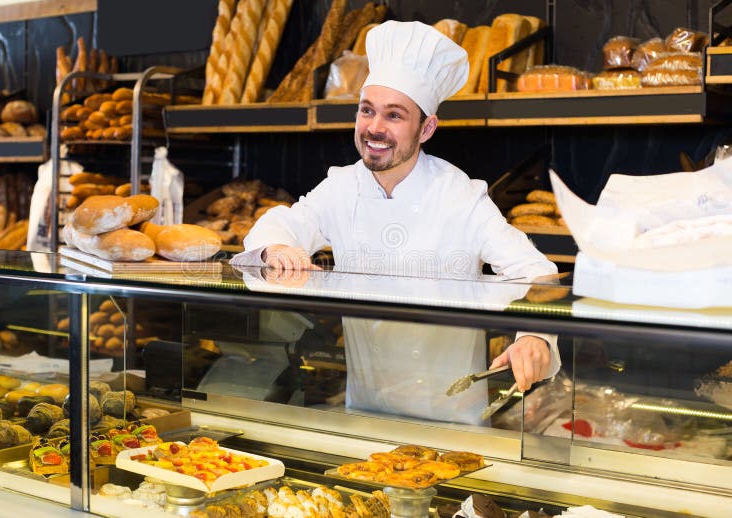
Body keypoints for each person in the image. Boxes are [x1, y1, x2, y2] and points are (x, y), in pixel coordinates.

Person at [231, 21, 559, 415]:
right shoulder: (341, 187)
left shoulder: (459, 196)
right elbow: (279, 226)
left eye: (394, 116)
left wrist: (534, 337)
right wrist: (276, 248)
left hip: (451, 421)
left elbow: (536, 272)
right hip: (367, 414)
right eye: (367, 111)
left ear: (427, 128)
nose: (374, 128)